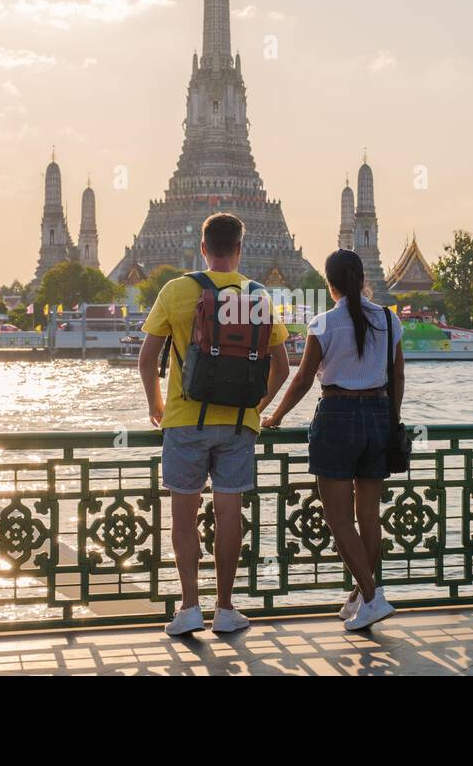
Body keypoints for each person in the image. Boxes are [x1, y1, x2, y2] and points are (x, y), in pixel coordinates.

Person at [138, 213, 290, 636]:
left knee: (184, 517)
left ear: (203, 248)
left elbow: (147, 359)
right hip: (239, 426)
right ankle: (225, 608)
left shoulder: (177, 290)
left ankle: (189, 607)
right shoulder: (258, 295)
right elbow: (282, 367)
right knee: (229, 516)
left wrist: (156, 405)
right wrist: (257, 406)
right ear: (240, 249)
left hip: (185, 420)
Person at [261, 249, 404, 631]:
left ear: (330, 284)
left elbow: (303, 379)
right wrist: (391, 419)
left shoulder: (324, 323)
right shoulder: (388, 319)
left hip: (338, 415)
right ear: (362, 278)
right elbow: (398, 377)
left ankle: (371, 596)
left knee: (339, 518)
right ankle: (361, 596)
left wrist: (276, 415)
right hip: (378, 415)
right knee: (368, 516)